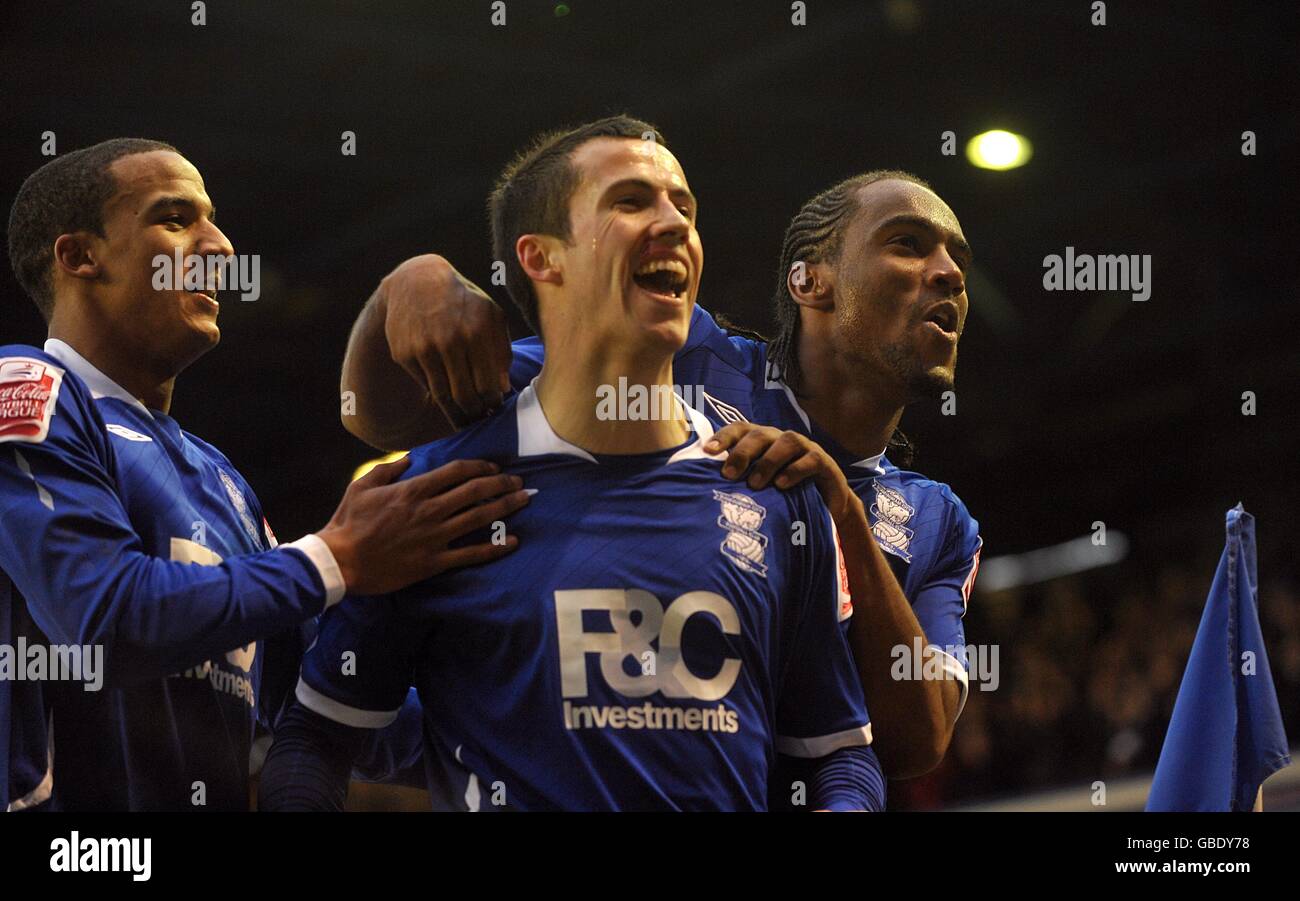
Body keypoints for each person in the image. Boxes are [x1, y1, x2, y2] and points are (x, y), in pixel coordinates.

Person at [261, 116, 882, 811]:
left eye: (685, 207)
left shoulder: (776, 491)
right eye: (631, 201)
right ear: (540, 258)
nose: (674, 223)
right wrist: (408, 276)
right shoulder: (434, 499)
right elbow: (317, 738)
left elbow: (837, 755)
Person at [338, 170, 981, 778]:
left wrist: (842, 515)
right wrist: (409, 283)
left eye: (958, 259)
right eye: (907, 244)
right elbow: (384, 417)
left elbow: (919, 742)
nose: (950, 273)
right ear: (810, 281)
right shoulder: (680, 355)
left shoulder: (939, 522)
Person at [0, 139, 529, 810]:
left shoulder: (221, 479)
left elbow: (327, 708)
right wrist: (338, 554)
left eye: (212, 220)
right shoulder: (25, 385)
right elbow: (107, 618)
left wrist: (554, 731)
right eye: (175, 219)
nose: (219, 246)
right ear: (80, 256)